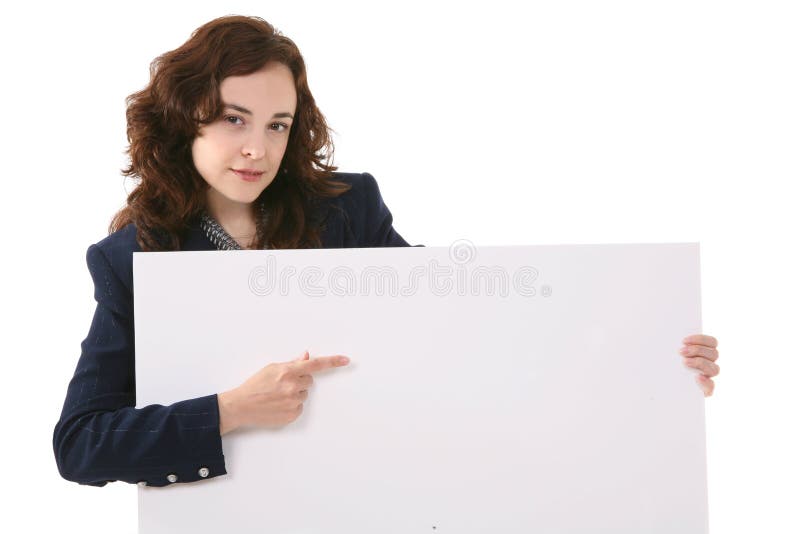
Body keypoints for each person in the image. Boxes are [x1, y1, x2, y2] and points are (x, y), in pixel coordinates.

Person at [52, 15, 721, 489]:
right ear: (184, 118)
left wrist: (648, 353)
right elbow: (80, 444)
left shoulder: (346, 210)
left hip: (378, 494)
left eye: (277, 124)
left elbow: (459, 320)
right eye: (234, 119)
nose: (258, 147)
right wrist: (232, 409)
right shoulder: (132, 258)